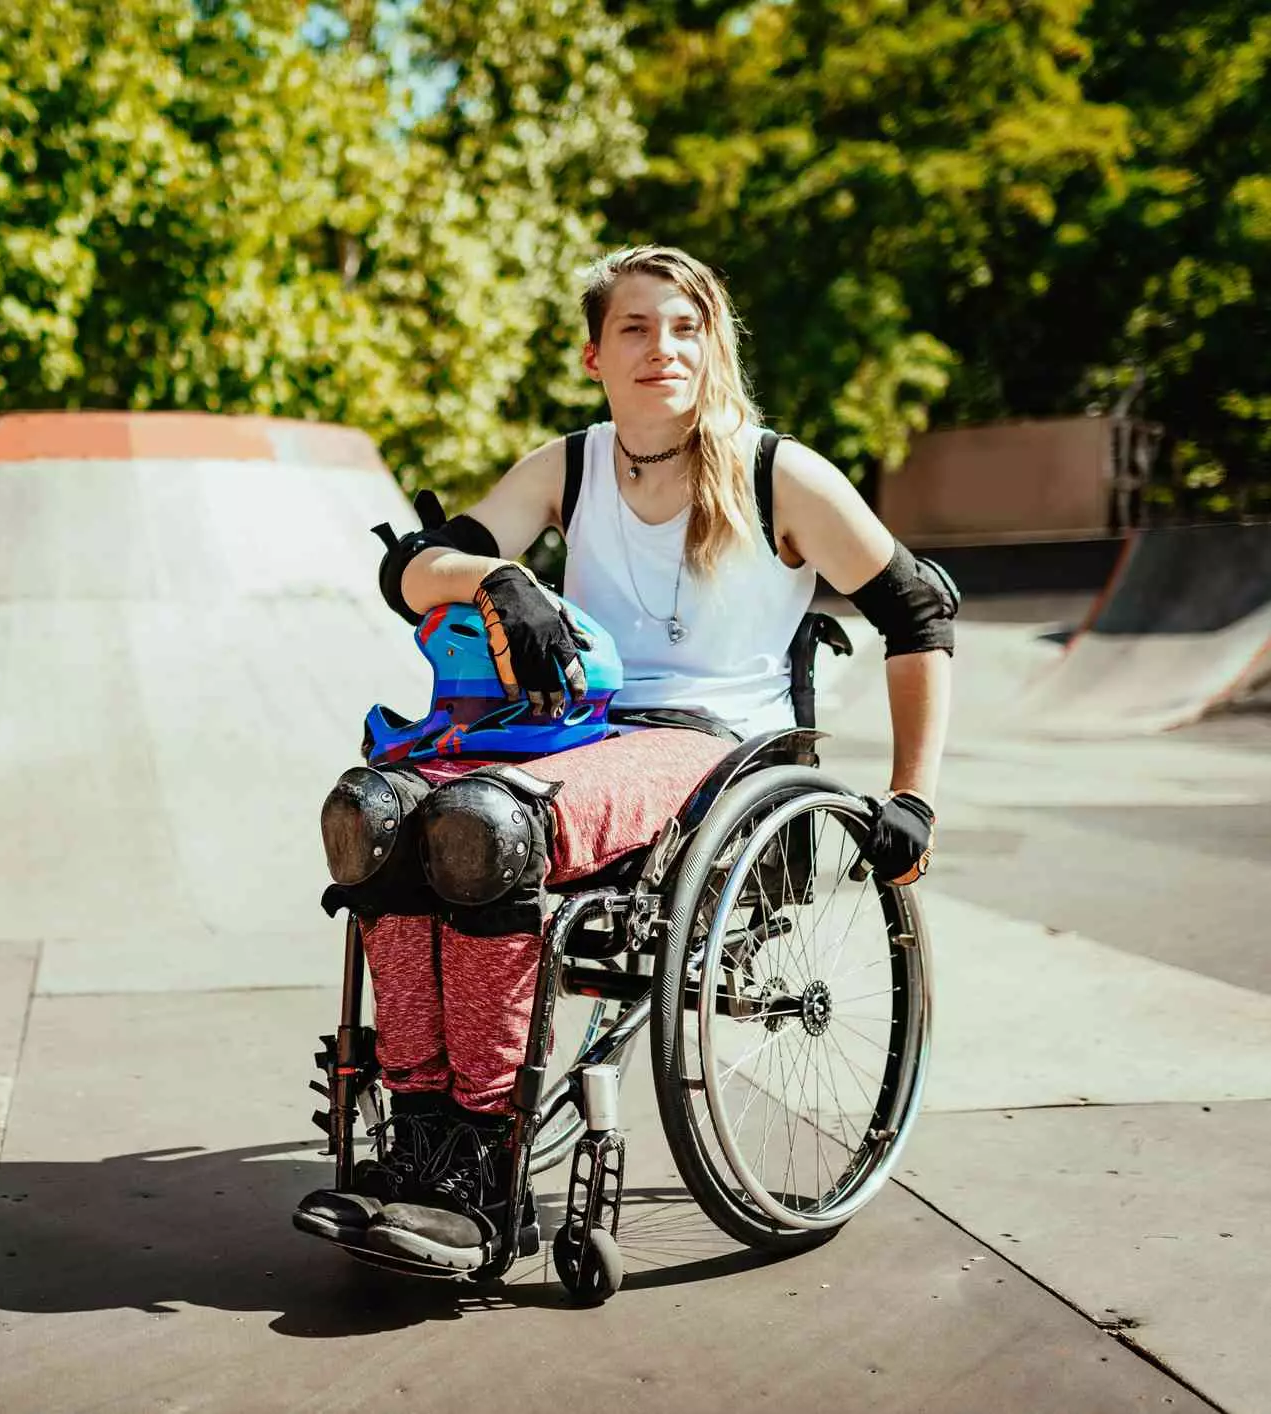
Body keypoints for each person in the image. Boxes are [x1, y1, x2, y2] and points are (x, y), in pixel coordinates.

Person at [295, 245, 955, 1273]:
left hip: (707, 749)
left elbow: (919, 612)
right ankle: (417, 1137)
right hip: (575, 730)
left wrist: (914, 793)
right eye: (638, 329)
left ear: (715, 346)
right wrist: (493, 577)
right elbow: (410, 569)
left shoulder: (779, 473)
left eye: (687, 327)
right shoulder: (571, 463)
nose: (664, 348)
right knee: (373, 813)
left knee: (485, 825)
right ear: (595, 354)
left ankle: (482, 1171)